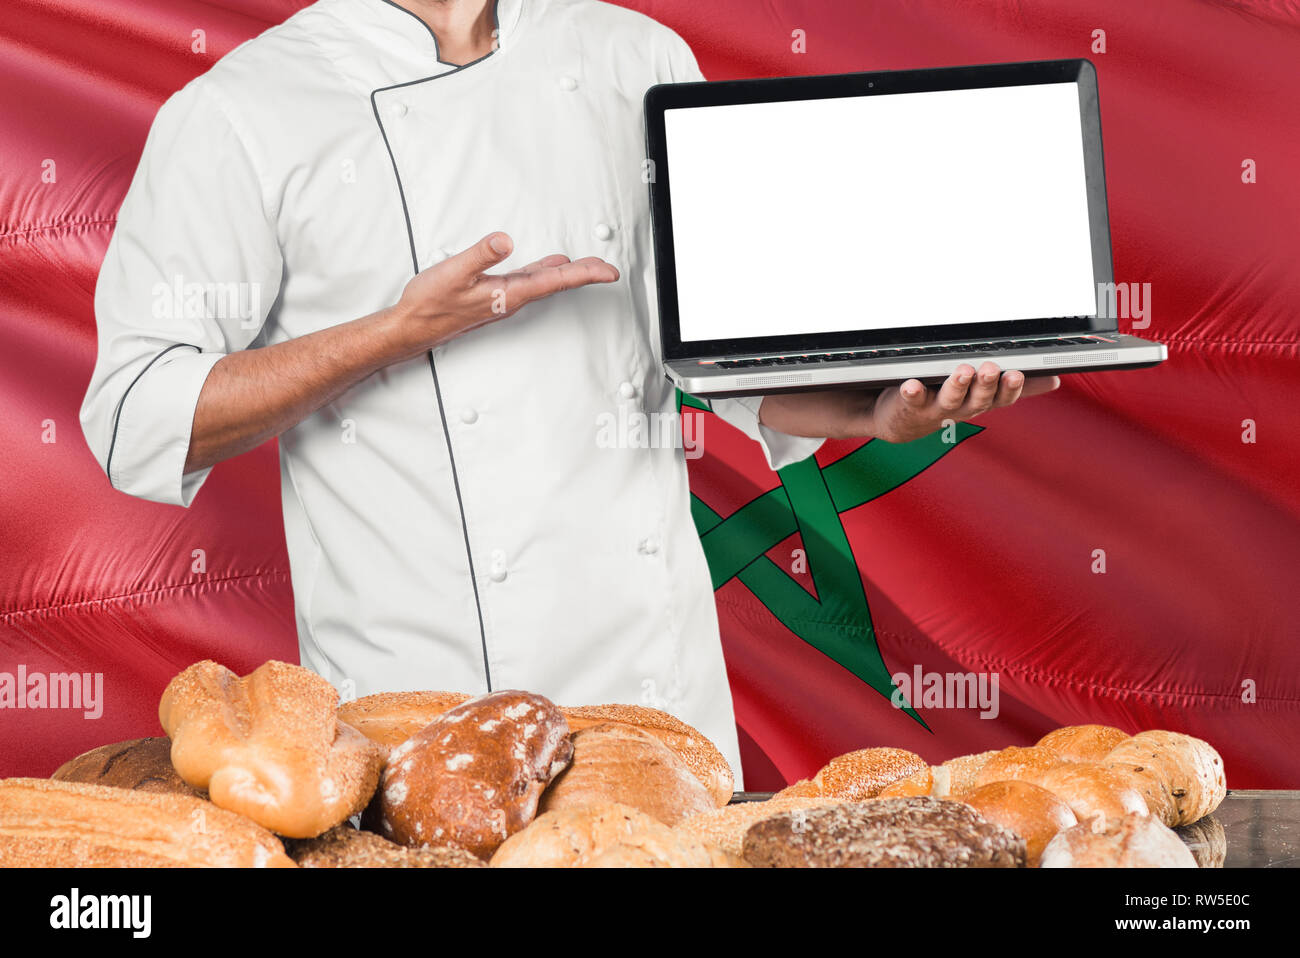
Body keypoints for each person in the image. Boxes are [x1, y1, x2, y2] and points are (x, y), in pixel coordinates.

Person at [80, 0, 1057, 782]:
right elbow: (136, 417)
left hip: (659, 711)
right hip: (421, 731)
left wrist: (882, 411)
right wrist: (394, 333)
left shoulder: (636, 56)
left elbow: (714, 365)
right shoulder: (244, 111)